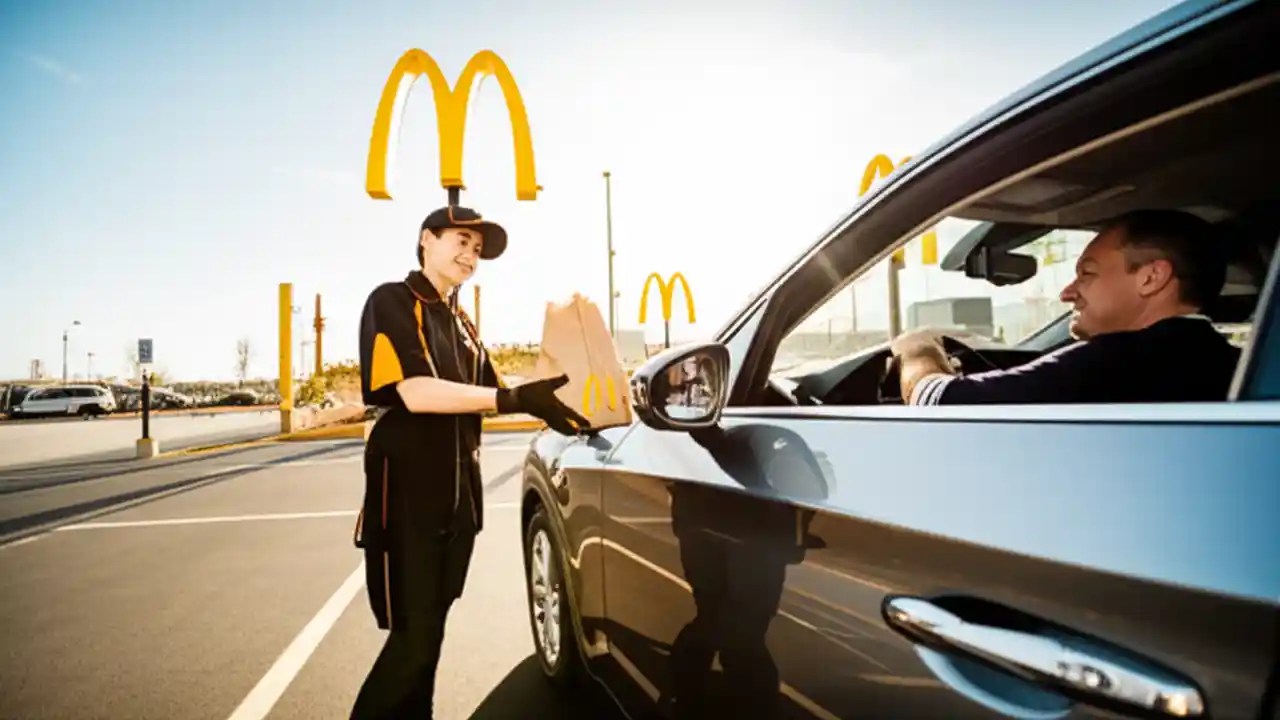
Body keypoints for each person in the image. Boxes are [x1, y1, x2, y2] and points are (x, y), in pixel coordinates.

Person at [349, 204, 588, 720]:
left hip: (457, 510)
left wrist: (576, 408)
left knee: (430, 639)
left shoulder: (462, 323)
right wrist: (515, 400)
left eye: (477, 249)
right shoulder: (392, 301)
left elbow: (494, 394)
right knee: (411, 644)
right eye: (460, 241)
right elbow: (416, 392)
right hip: (406, 504)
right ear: (426, 240)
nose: (470, 255)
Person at [891, 209, 1242, 405]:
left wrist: (918, 350)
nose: (1067, 293)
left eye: (1087, 274)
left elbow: (937, 402)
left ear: (1151, 278)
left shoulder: (1117, 361)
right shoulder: (1231, 362)